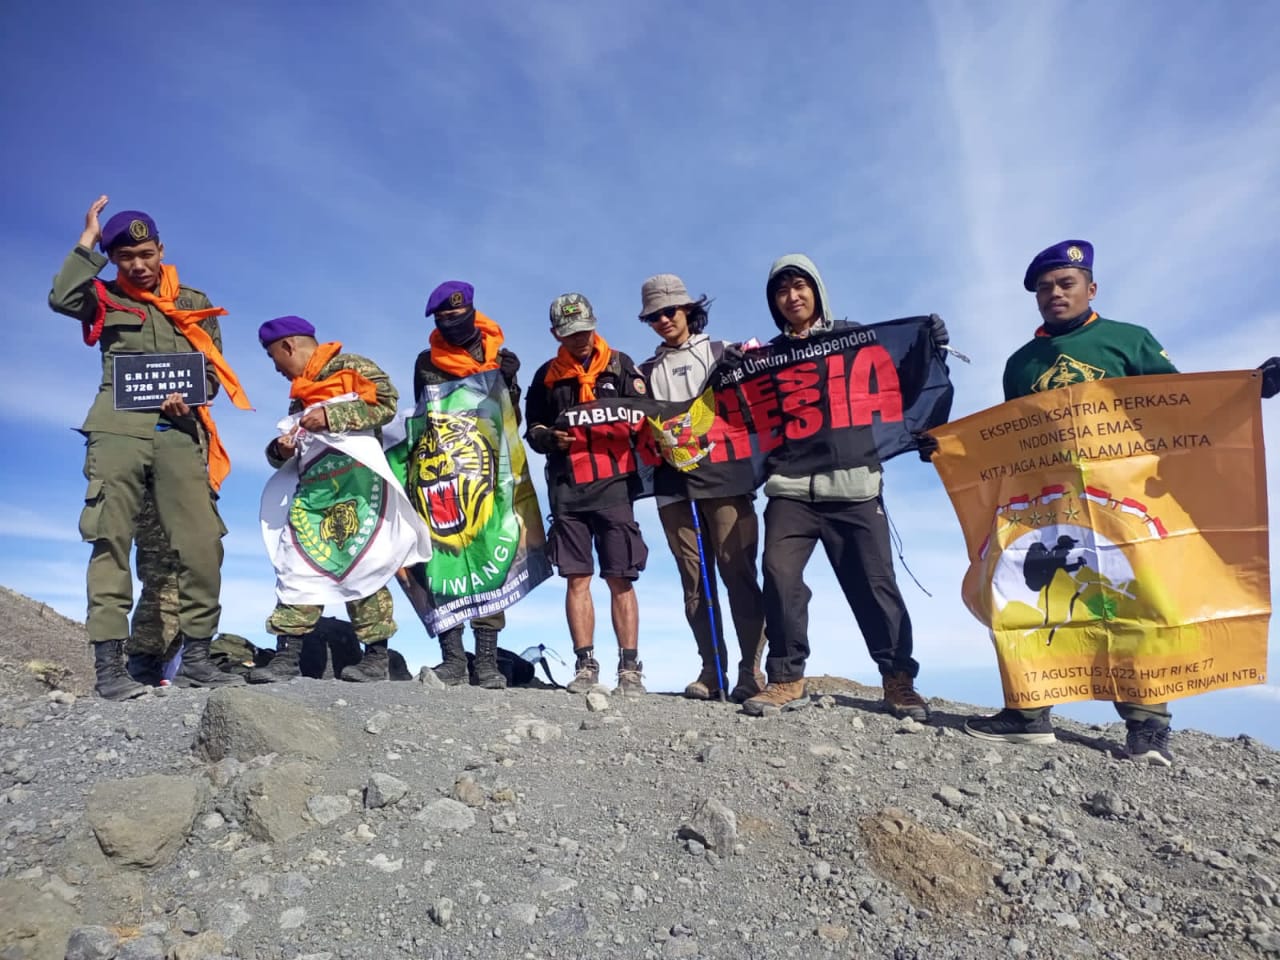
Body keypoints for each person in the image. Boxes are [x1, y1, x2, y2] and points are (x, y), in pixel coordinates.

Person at [961, 239, 1280, 764]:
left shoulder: (1129, 341)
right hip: (1050, 504)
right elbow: (1010, 437)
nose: (1054, 294)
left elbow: (1179, 406)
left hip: (1123, 498)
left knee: (1133, 599)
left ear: (1091, 287)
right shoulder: (1020, 364)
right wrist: (950, 447)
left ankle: (1147, 724)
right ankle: (1029, 712)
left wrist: (1245, 390)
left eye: (1065, 284)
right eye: (1044, 288)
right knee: (1031, 595)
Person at [49, 196, 249, 699]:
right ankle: (111, 669)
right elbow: (61, 297)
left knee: (203, 543)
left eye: (145, 253)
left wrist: (193, 398)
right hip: (118, 430)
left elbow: (211, 369)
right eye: (125, 257)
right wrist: (87, 241)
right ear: (114, 259)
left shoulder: (194, 302)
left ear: (161, 248)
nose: (137, 266)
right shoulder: (103, 296)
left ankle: (199, 658)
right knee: (110, 539)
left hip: (179, 434)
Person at [744, 254, 944, 721]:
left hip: (855, 486)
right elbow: (742, 413)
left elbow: (902, 379)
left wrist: (925, 345)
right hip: (790, 488)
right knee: (778, 574)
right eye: (781, 290)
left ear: (816, 290)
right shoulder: (767, 359)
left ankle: (898, 680)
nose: (792, 296)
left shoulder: (855, 340)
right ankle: (786, 677)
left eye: (800, 286)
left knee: (875, 585)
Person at [636, 274, 767, 703]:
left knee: (738, 573)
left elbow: (763, 399)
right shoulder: (645, 372)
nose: (662, 321)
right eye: (652, 316)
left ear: (688, 310)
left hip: (726, 481)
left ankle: (752, 671)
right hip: (674, 487)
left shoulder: (722, 352)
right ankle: (712, 669)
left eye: (668, 311)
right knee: (696, 581)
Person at [250, 316, 401, 684]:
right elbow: (288, 449)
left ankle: (376, 657)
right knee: (297, 562)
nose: (277, 369)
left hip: (360, 488)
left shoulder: (353, 367)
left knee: (364, 563)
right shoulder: (298, 396)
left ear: (288, 347)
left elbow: (386, 403)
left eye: (275, 358)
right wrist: (279, 448)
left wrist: (331, 415)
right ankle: (287, 657)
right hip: (315, 492)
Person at [525, 293, 650, 697]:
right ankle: (585, 664)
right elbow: (533, 428)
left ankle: (630, 668)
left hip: (614, 485)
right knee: (577, 577)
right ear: (554, 334)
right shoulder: (546, 376)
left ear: (594, 324)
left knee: (620, 576)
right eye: (569, 333)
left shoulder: (621, 364)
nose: (579, 338)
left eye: (583, 330)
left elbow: (647, 414)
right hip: (567, 489)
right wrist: (547, 438)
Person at [413, 280, 522, 689]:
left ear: (472, 313)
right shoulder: (426, 361)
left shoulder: (501, 357)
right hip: (442, 478)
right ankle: (453, 660)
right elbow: (421, 420)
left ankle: (488, 662)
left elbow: (514, 424)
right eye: (442, 319)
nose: (449, 324)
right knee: (444, 563)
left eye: (456, 317)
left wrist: (508, 385)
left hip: (488, 474)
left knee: (492, 562)